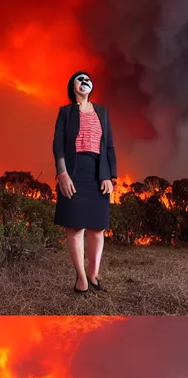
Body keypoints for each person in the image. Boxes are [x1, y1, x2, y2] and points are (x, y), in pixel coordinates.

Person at [52, 71, 117, 295]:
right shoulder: (65, 112)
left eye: (88, 79)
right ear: (73, 87)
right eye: (80, 79)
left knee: (97, 228)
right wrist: (62, 174)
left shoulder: (103, 112)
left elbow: (109, 147)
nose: (85, 81)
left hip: (98, 172)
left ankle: (93, 274)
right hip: (73, 171)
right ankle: (81, 278)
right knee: (75, 227)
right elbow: (58, 146)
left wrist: (110, 176)